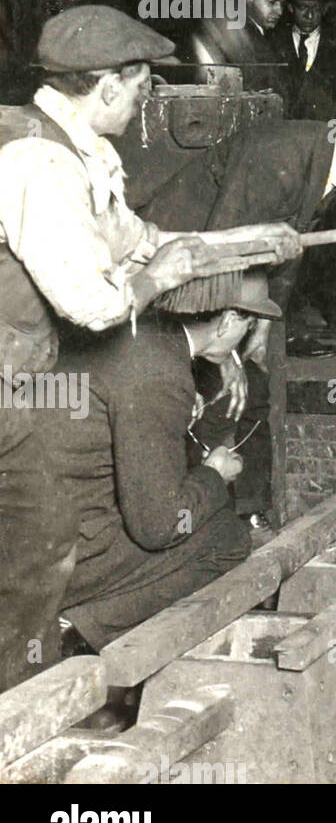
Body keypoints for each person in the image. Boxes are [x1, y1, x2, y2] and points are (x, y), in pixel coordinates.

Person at [0, 4, 301, 691]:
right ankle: (19, 708)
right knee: (38, 542)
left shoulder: (77, 149)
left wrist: (252, 239)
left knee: (40, 540)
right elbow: (94, 302)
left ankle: (26, 687)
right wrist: (155, 282)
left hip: (21, 382)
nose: (146, 100)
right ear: (107, 84)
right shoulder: (38, 164)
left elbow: (141, 241)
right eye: (140, 87)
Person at [136, 94, 336, 513]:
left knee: (254, 391)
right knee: (207, 401)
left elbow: (287, 247)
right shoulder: (278, 157)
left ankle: (239, 512)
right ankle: (193, 515)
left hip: (224, 294)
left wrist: (261, 327)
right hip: (172, 292)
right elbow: (220, 254)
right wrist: (225, 354)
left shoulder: (324, 161)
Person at [46, 273, 281, 651]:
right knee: (226, 537)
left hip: (32, 523)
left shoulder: (135, 326)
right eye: (249, 324)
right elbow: (157, 526)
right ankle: (72, 627)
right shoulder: (162, 372)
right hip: (57, 556)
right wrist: (214, 474)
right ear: (227, 321)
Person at [190, 0, 291, 94]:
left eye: (282, 4)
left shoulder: (263, 34)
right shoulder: (238, 36)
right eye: (272, 2)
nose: (279, 11)